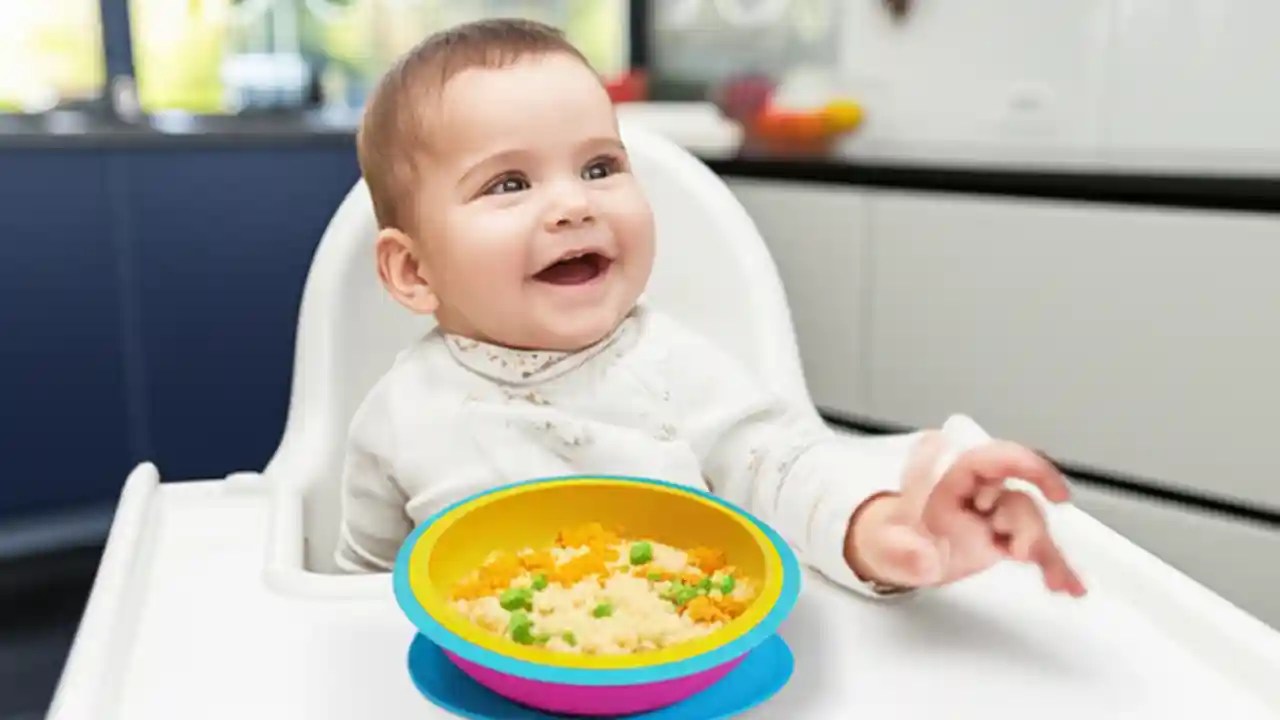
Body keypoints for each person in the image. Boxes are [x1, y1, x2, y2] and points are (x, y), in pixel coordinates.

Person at [335, 18, 1085, 600]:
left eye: (599, 166)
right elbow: (353, 602)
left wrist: (881, 530)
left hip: (680, 669)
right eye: (508, 184)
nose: (573, 204)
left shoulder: (669, 367)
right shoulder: (398, 418)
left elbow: (784, 469)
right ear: (413, 271)